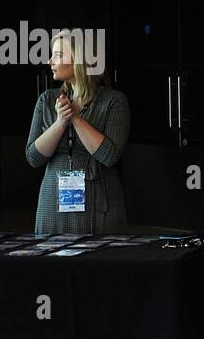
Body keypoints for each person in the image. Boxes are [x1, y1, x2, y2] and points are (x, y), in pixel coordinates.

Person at [25, 31, 130, 235]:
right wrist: (60, 123)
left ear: (79, 60)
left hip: (99, 203)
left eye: (57, 55)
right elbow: (33, 157)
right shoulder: (46, 100)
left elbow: (109, 156)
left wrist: (75, 118)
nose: (49, 61)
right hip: (53, 204)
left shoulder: (114, 101)